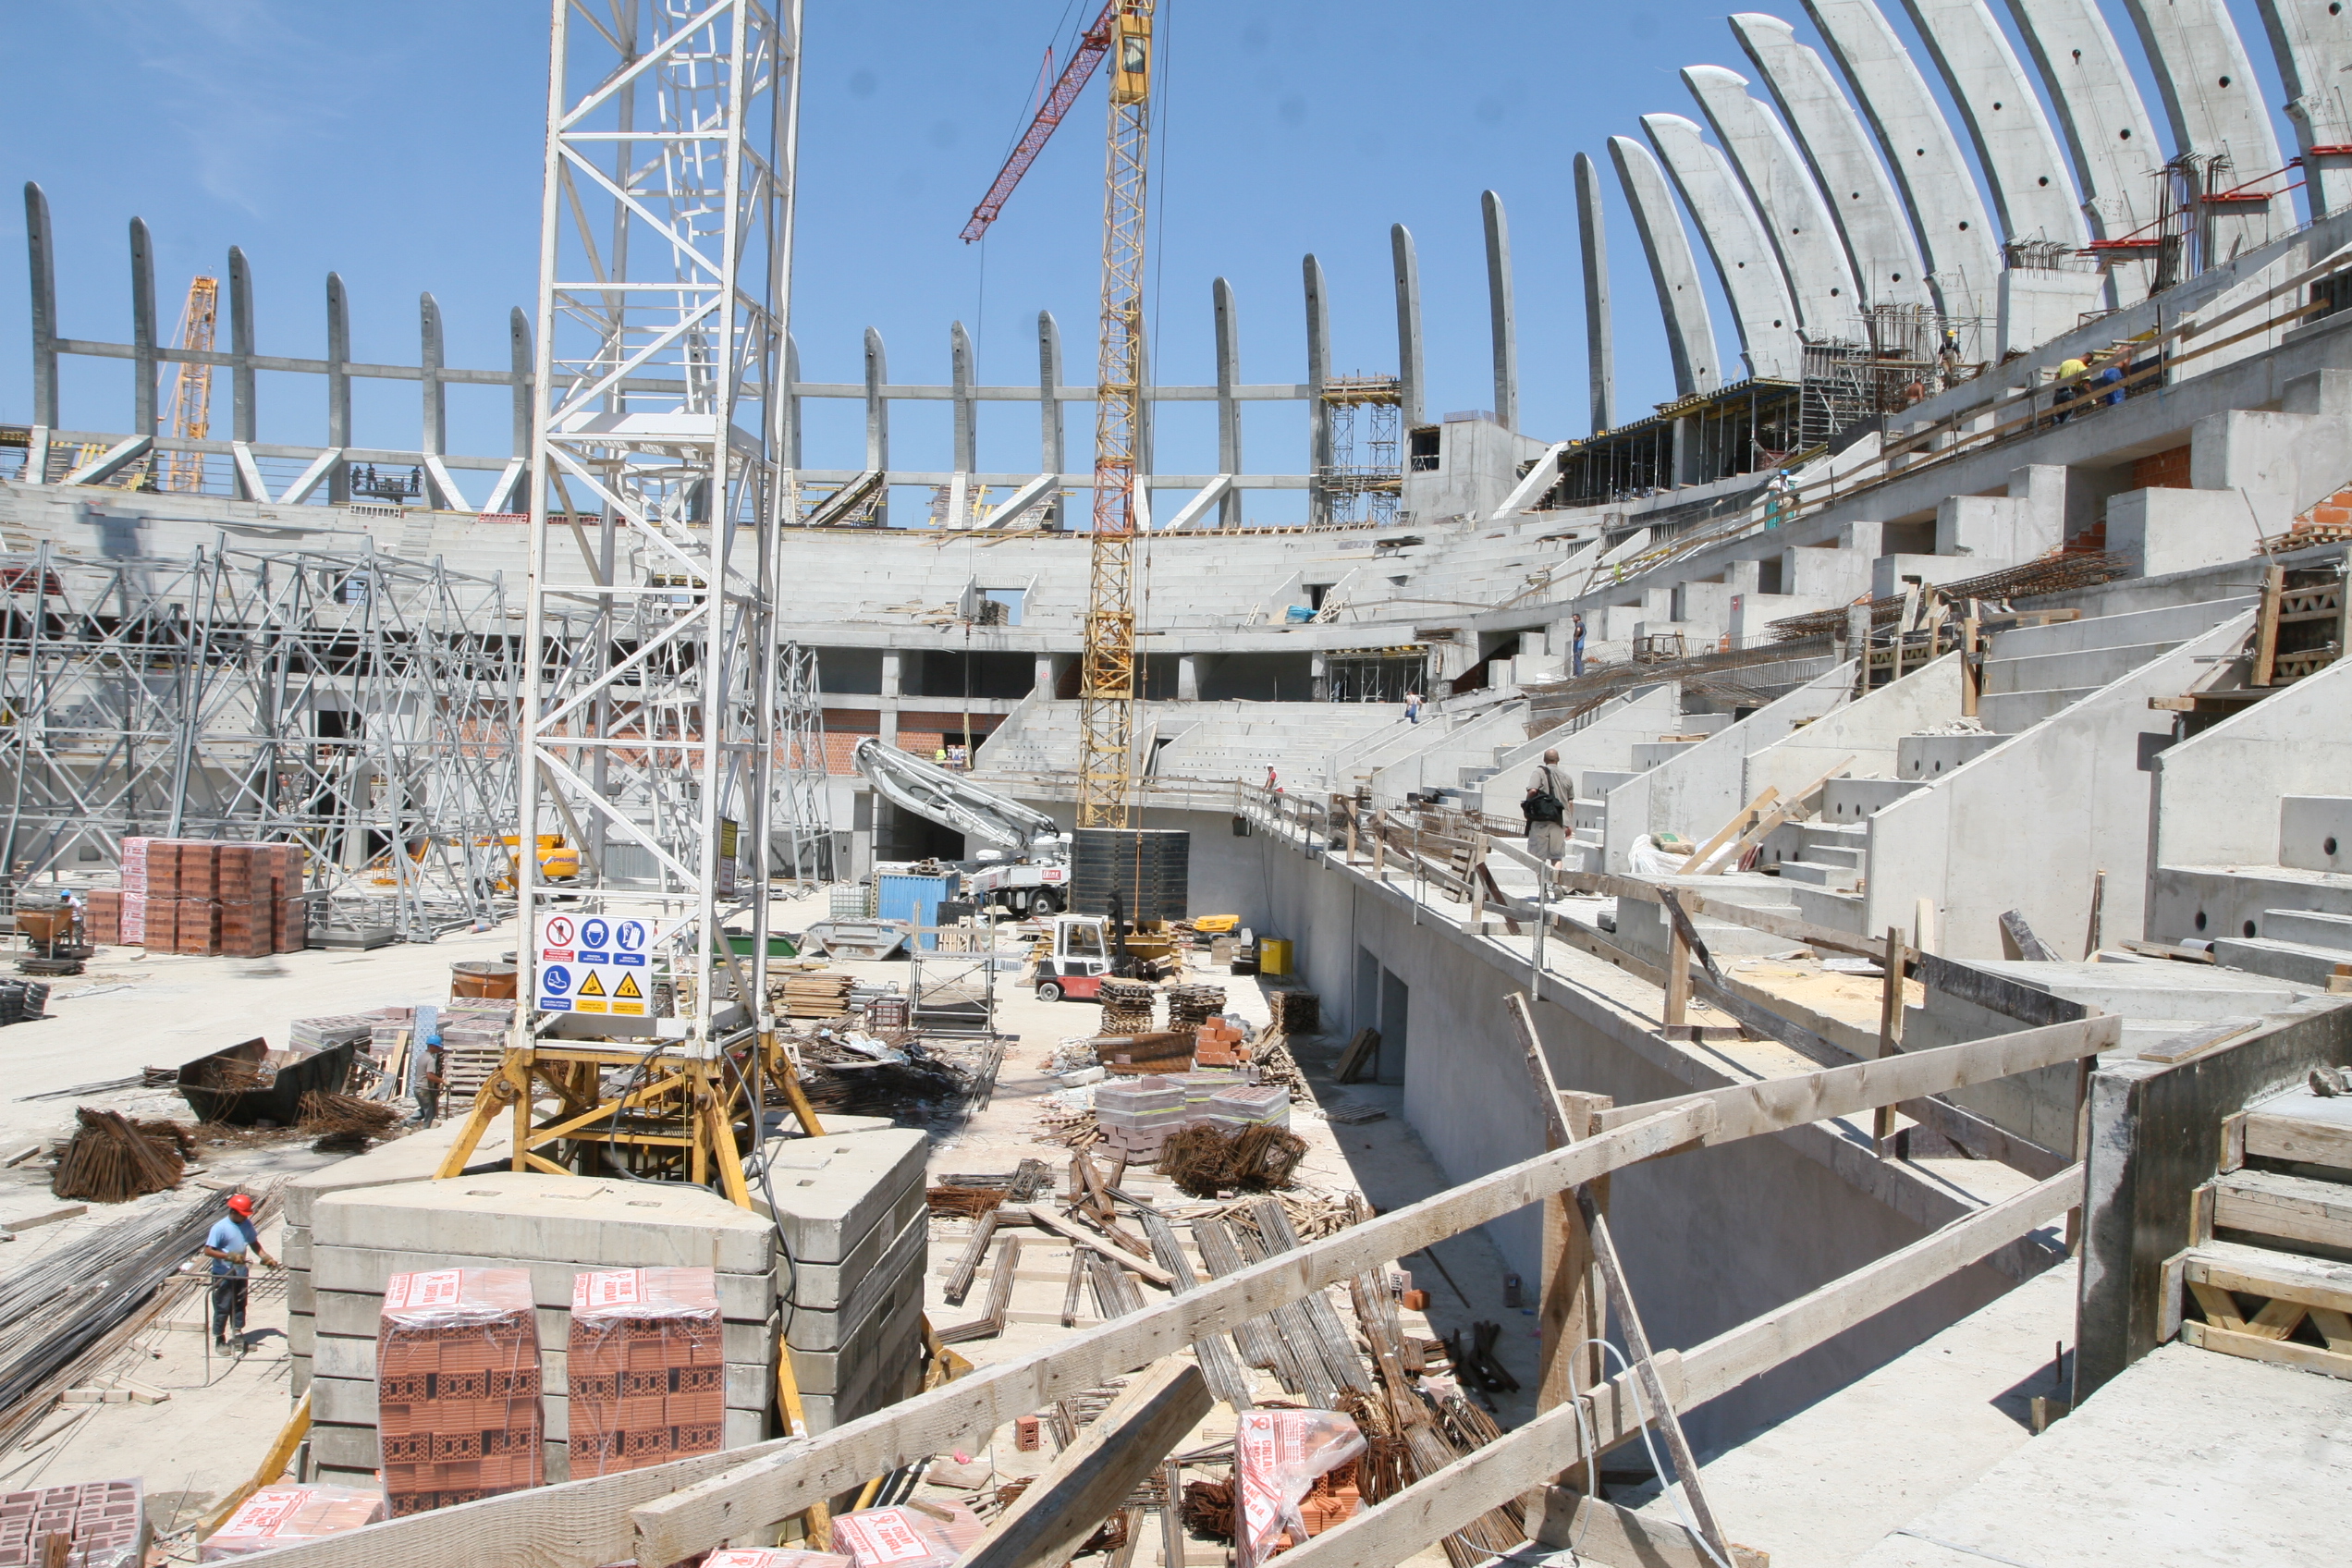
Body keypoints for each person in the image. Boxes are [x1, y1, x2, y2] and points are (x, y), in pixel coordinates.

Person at [202, 1193, 280, 1352]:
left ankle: (237, 1335)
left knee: (239, 1304)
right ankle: (220, 1339)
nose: (245, 1218)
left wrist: (265, 1257)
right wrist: (228, 1256)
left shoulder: (246, 1224)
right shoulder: (220, 1228)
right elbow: (208, 1251)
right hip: (223, 1274)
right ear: (234, 1212)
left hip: (240, 1272)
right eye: (242, 1215)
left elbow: (253, 1243)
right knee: (223, 1306)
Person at [1521, 748, 1573, 865]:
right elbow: (1570, 803)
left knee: (1539, 859)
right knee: (1557, 856)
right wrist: (1568, 824)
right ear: (1558, 759)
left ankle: (1543, 884)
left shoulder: (1539, 772)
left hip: (1541, 820)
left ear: (1544, 759)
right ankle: (1554, 883)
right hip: (1559, 821)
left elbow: (1533, 790)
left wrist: (1528, 806)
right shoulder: (1567, 777)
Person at [417, 1042, 445, 1128]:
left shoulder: (421, 1056)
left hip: (417, 1087)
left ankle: (407, 1122)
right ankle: (426, 1129)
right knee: (430, 1112)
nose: (439, 1049)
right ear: (432, 1046)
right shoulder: (431, 1059)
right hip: (424, 1088)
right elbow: (430, 1076)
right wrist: (442, 1081)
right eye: (438, 1047)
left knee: (424, 1108)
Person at [2052, 358, 2086, 424]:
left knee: (2057, 415)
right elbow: (2086, 384)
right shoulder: (2081, 365)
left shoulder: (2065, 363)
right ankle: (2065, 429)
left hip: (2060, 392)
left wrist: (2056, 391)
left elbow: (2056, 378)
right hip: (2070, 392)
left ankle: (2056, 430)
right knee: (2069, 413)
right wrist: (2092, 400)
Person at [1570, 614, 1587, 679]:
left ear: (1578, 618)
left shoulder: (1579, 624)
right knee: (1578, 659)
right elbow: (1585, 632)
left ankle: (1578, 674)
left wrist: (1576, 636)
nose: (1573, 619)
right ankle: (1578, 673)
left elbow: (1578, 630)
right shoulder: (1583, 625)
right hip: (1581, 645)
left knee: (1577, 660)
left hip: (1577, 645)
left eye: (1574, 618)